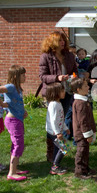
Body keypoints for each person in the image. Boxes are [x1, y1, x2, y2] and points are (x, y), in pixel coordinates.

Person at [39, 31, 78, 162]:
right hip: (54, 93)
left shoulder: (69, 55)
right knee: (53, 121)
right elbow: (42, 76)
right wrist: (57, 77)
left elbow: (75, 71)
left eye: (63, 40)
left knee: (61, 117)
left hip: (66, 92)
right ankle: (51, 153)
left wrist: (73, 77)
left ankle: (60, 150)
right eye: (59, 40)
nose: (62, 42)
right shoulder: (46, 56)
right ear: (52, 42)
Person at [0, 65, 29, 181]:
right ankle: (11, 173)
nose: (25, 77)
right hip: (13, 121)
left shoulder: (17, 89)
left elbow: (15, 103)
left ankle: (15, 168)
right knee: (18, 145)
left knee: (17, 144)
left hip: (18, 119)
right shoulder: (11, 87)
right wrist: (1, 104)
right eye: (23, 75)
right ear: (16, 76)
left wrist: (23, 111)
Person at [71, 77, 97, 179]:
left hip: (84, 133)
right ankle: (79, 172)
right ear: (78, 89)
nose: (88, 87)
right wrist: (88, 134)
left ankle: (85, 168)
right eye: (85, 86)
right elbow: (83, 121)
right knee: (81, 152)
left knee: (85, 151)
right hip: (81, 133)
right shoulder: (80, 103)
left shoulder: (82, 101)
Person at [45, 82, 70, 175]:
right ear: (56, 93)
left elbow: (60, 118)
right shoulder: (54, 105)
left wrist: (65, 128)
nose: (64, 92)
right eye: (62, 91)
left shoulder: (58, 103)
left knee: (58, 148)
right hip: (54, 132)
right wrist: (57, 133)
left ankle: (56, 164)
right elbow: (53, 120)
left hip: (56, 131)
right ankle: (55, 167)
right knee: (64, 148)